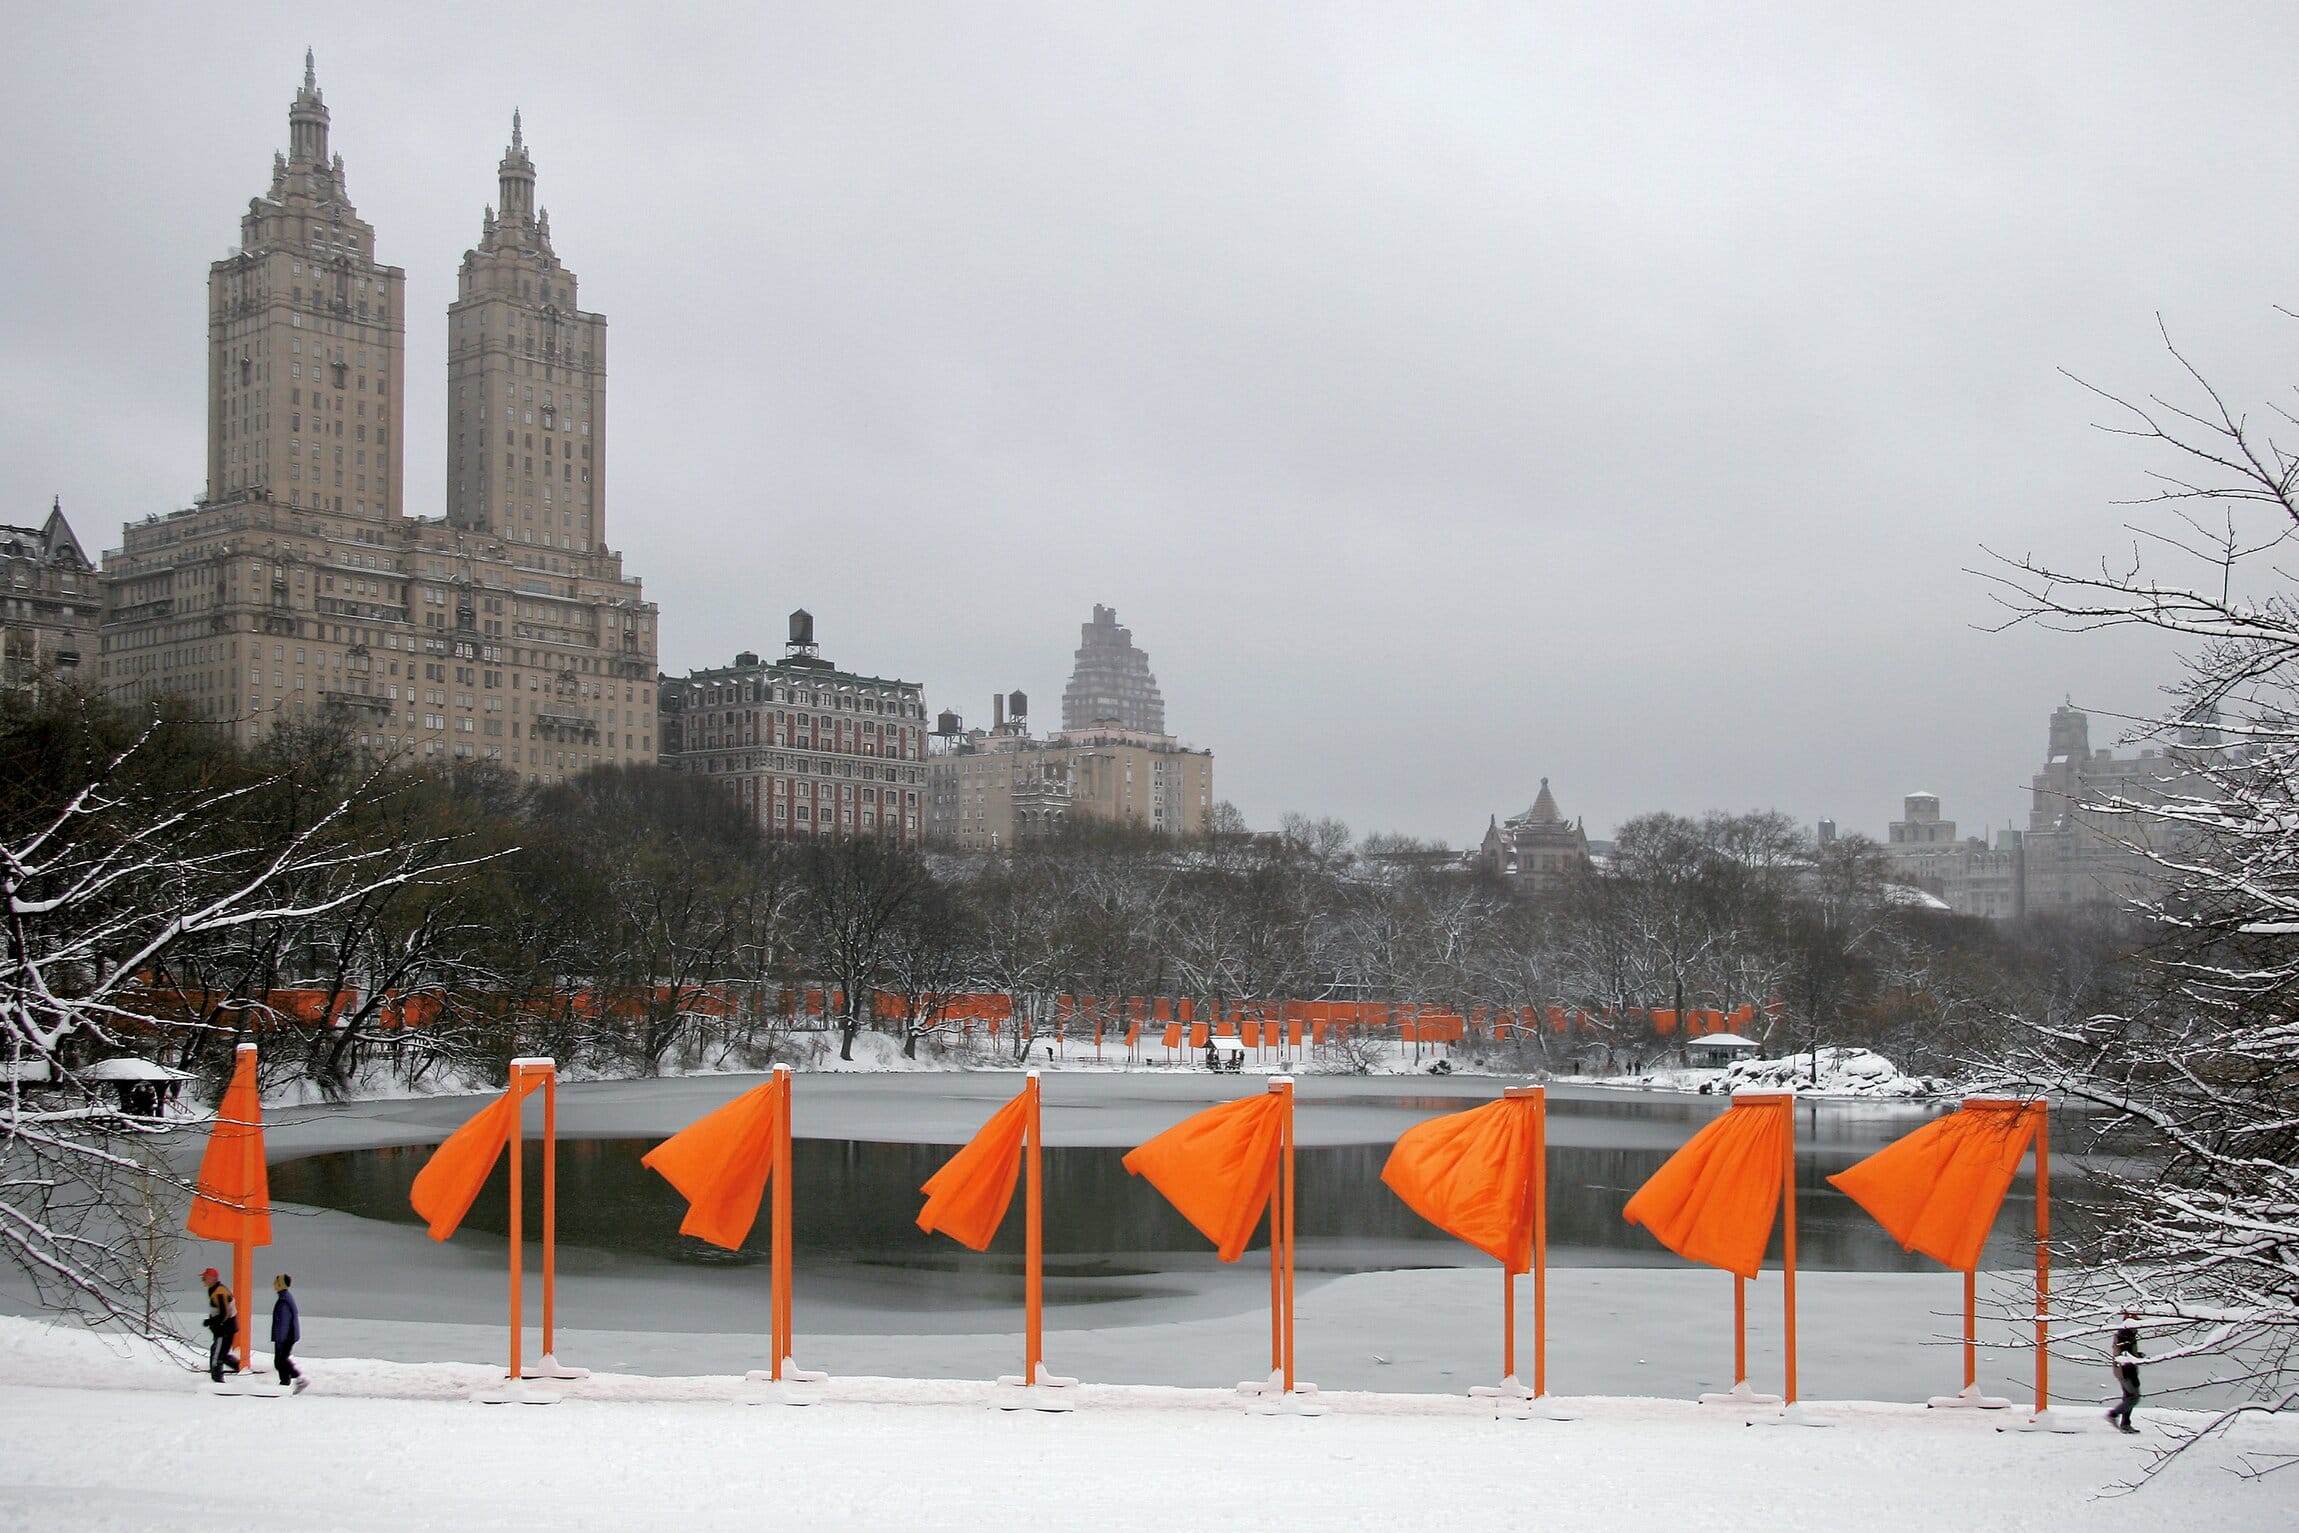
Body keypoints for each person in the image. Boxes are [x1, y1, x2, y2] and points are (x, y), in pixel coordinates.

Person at [2107, 1309, 2144, 1433]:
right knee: (2134, 1398)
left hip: (2122, 1371)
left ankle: (2126, 1424)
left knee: (2128, 1398)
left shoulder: (2125, 1335)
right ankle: (2113, 1414)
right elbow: (2125, 1357)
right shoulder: (2126, 1337)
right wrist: (2133, 1376)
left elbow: (2126, 1354)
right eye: (2136, 1322)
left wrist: (2137, 1355)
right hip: (2126, 1372)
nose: (2138, 1325)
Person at [200, 1267, 238, 1382]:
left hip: (224, 1330)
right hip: (225, 1329)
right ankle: (240, 1368)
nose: (203, 1280)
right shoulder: (216, 1290)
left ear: (212, 1278)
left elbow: (224, 1313)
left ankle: (217, 1380)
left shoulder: (220, 1292)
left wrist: (210, 1322)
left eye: (205, 1278)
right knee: (221, 1354)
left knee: (217, 1355)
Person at [271, 1274, 306, 1392]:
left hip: (286, 1337)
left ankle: (299, 1379)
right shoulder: (284, 1297)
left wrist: (280, 1339)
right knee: (280, 1361)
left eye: (276, 1282)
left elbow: (284, 1322)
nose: (273, 1284)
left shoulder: (284, 1300)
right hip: (285, 1336)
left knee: (281, 1361)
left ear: (281, 1284)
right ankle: (285, 1384)